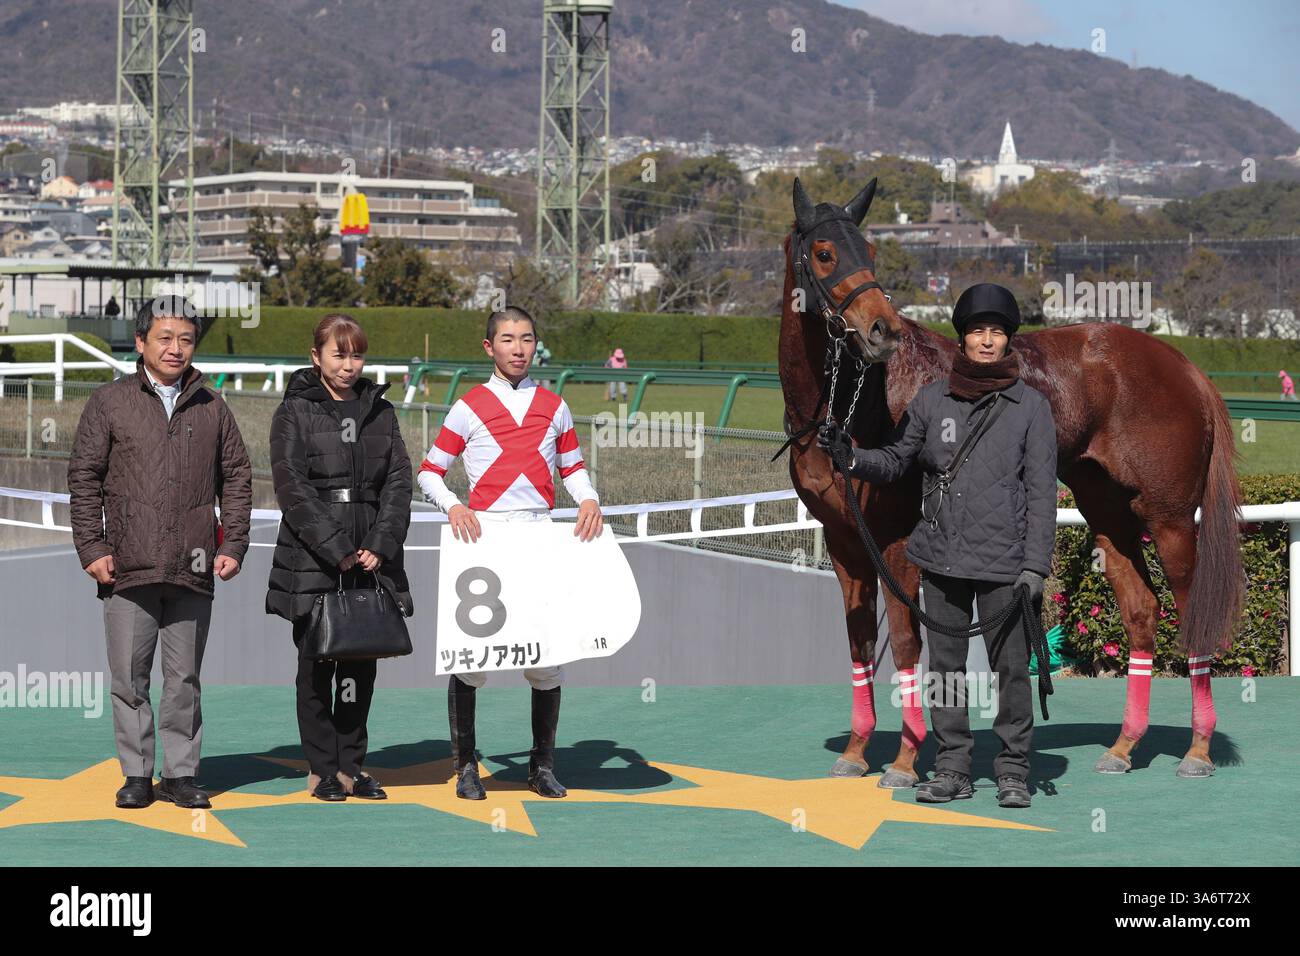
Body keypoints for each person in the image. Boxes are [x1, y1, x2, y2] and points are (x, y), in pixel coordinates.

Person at [819, 282, 1057, 809]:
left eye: (997, 333)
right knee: (944, 672)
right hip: (942, 557)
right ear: (964, 340)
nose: (988, 341)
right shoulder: (931, 400)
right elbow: (898, 461)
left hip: (1005, 563)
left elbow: (1043, 493)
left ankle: (1014, 768)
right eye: (978, 331)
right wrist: (851, 459)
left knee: (1010, 669)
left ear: (1007, 340)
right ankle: (952, 767)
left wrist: (1035, 567)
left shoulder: (1031, 407)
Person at [68, 294, 252, 810]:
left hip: (194, 567)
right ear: (142, 341)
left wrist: (233, 542)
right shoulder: (110, 402)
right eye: (165, 338)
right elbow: (84, 478)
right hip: (127, 565)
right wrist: (92, 546)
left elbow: (236, 477)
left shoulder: (213, 406)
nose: (176, 348)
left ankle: (183, 774)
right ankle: (137, 775)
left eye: (186, 339)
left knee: (184, 676)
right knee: (130, 677)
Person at [417, 305, 604, 801]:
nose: (518, 348)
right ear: (489, 347)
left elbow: (572, 468)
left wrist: (589, 498)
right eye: (507, 339)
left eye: (526, 338)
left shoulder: (555, 405)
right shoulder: (468, 406)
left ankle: (542, 767)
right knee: (473, 660)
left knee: (546, 662)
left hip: (540, 539)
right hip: (485, 541)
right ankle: (466, 769)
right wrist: (454, 506)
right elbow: (429, 472)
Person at [265, 313, 414, 802]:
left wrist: (379, 544)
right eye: (338, 354)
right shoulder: (293, 412)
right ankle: (321, 769)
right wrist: (340, 549)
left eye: (356, 354)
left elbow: (398, 483)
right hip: (313, 560)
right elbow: (293, 488)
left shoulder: (380, 411)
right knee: (315, 668)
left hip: (372, 561)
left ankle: (352, 767)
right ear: (316, 357)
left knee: (359, 669)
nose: (349, 364)